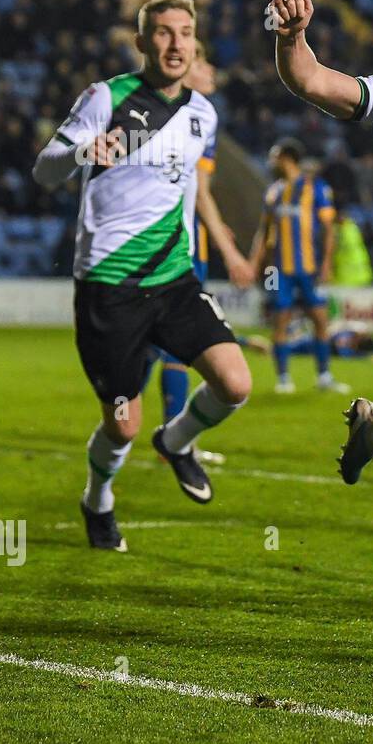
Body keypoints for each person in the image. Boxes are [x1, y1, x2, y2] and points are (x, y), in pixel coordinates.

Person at [33, 0, 253, 552]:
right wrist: (82, 151)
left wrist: (223, 246)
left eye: (184, 32)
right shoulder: (106, 98)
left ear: (195, 40)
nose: (175, 43)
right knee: (122, 426)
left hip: (174, 281)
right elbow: (44, 170)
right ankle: (97, 500)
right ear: (141, 42)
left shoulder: (203, 112)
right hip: (110, 290)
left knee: (234, 384)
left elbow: (191, 191)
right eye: (162, 32)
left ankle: (177, 440)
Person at [146, 41, 253, 467]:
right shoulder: (173, 118)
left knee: (162, 348)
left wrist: (216, 234)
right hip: (174, 249)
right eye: (204, 63)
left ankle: (169, 436)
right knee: (175, 348)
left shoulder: (198, 119)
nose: (211, 71)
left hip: (187, 245)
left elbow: (197, 193)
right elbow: (200, 194)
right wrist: (233, 254)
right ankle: (174, 440)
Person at [247, 138, 350, 395]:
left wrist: (326, 263)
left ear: (287, 158)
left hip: (310, 268)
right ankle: (283, 378)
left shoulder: (316, 188)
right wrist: (253, 263)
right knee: (279, 320)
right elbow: (264, 232)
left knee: (320, 319)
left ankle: (324, 376)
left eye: (274, 156)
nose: (271, 162)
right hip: (279, 270)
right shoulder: (274, 191)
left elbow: (328, 229)